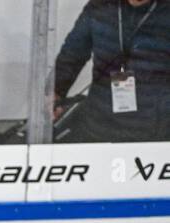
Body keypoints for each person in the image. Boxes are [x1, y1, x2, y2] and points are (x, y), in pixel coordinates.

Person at [53, 0, 170, 141]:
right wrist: (56, 93)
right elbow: (71, 56)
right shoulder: (99, 7)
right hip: (99, 125)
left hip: (157, 133)